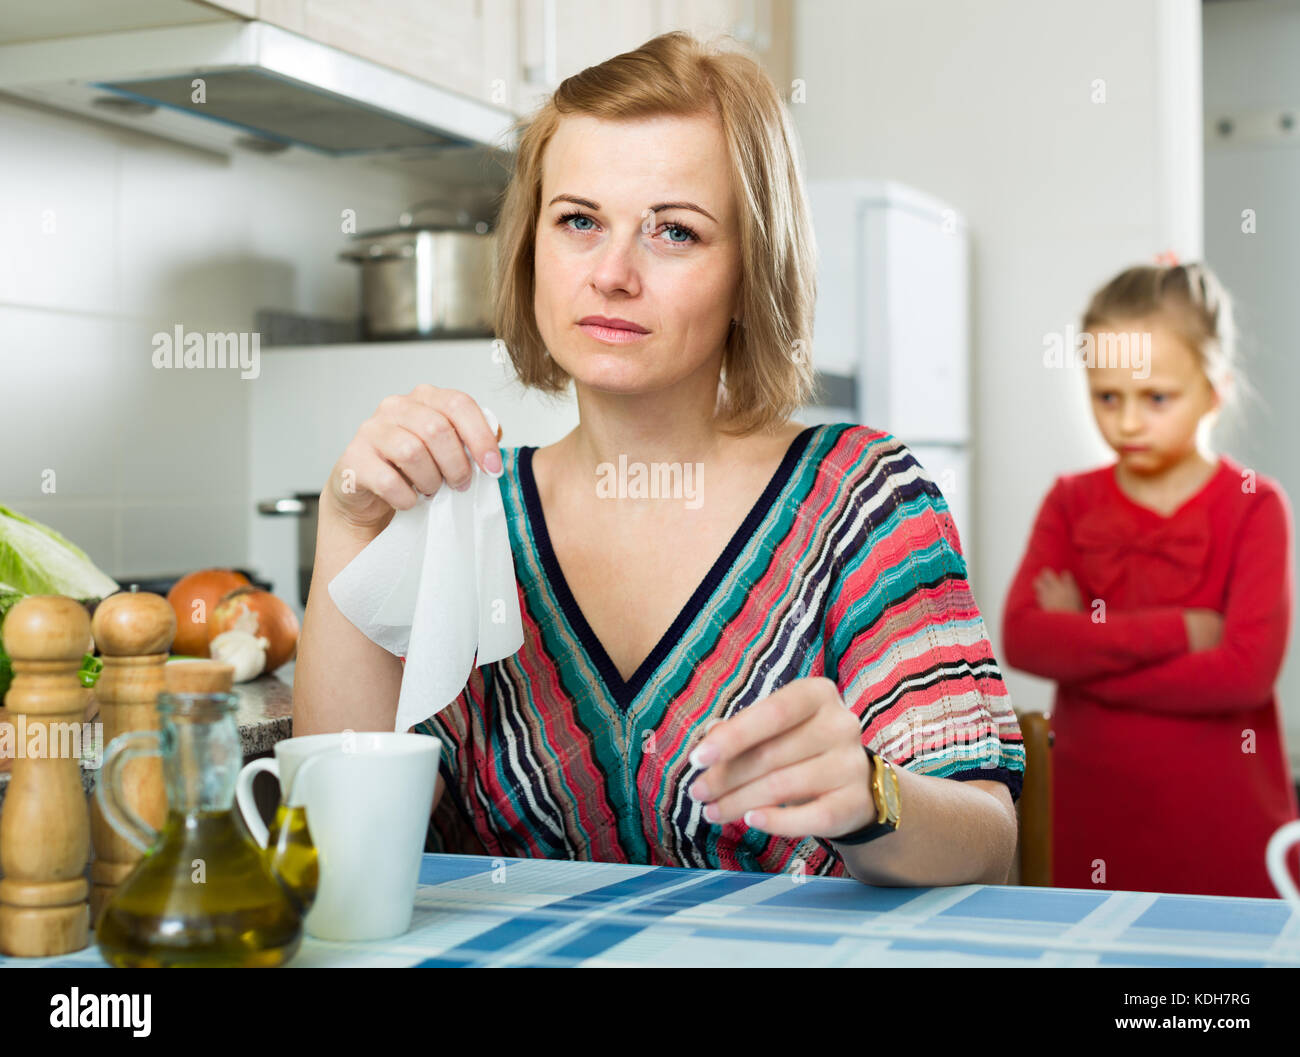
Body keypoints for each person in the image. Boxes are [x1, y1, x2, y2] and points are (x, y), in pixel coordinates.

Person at [295, 31, 1024, 885]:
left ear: (753, 267)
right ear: (532, 245)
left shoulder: (862, 498)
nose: (612, 273)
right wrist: (348, 523)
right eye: (578, 221)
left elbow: (987, 841)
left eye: (673, 232)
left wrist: (874, 794)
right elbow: (336, 851)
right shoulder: (467, 509)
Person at [1002, 260, 1300, 898]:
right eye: (1107, 397)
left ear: (1215, 390)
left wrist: (1087, 647)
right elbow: (1026, 639)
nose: (1128, 422)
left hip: (1225, 815)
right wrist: (1185, 630)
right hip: (1095, 812)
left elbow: (1244, 673)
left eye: (1156, 398)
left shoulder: (1256, 505)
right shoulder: (1070, 501)